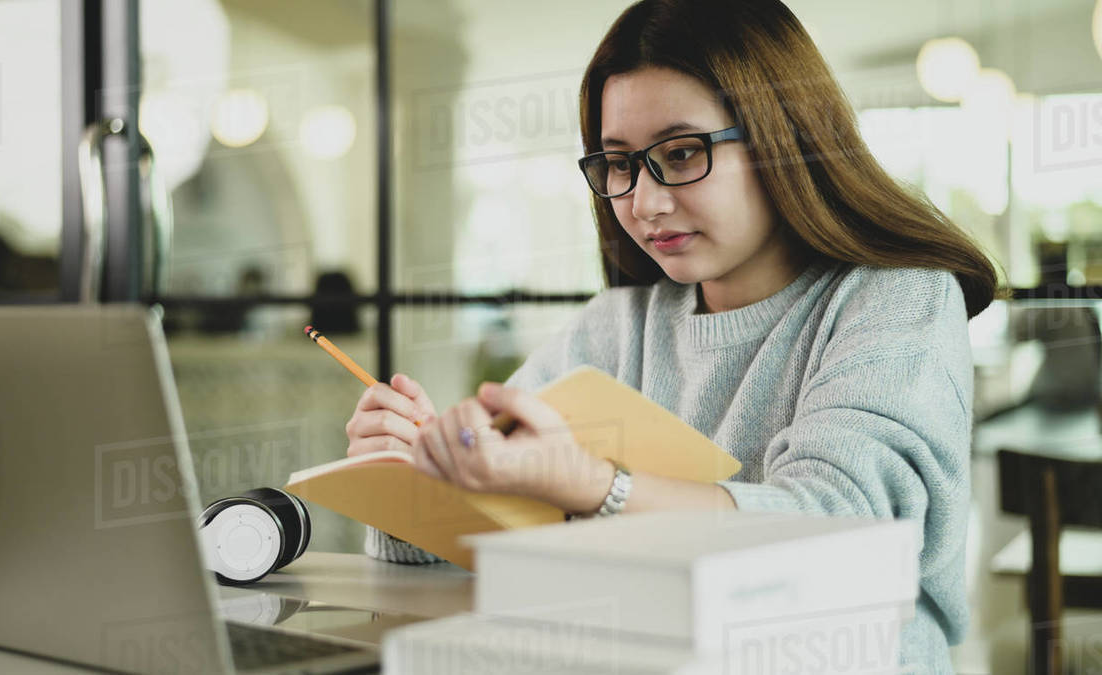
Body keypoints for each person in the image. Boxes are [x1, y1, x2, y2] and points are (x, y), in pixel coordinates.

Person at [343, 0, 1004, 670]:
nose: (643, 202)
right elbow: (466, 536)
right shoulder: (618, 326)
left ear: (783, 135)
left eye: (682, 153)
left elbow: (840, 528)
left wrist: (596, 486)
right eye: (617, 162)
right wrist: (415, 472)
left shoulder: (897, 296)